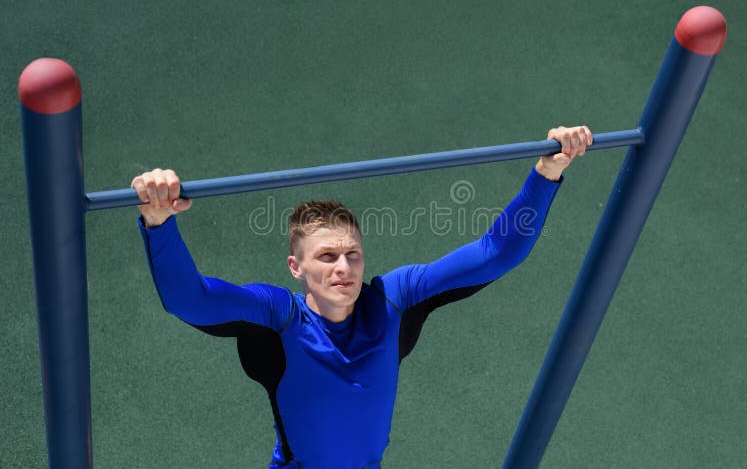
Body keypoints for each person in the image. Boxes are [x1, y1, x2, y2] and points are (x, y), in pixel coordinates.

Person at [133, 126, 593, 468]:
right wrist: (159, 220)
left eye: (353, 254)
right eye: (327, 255)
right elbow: (187, 299)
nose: (343, 267)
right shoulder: (278, 319)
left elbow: (496, 252)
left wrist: (547, 171)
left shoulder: (393, 301)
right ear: (297, 268)